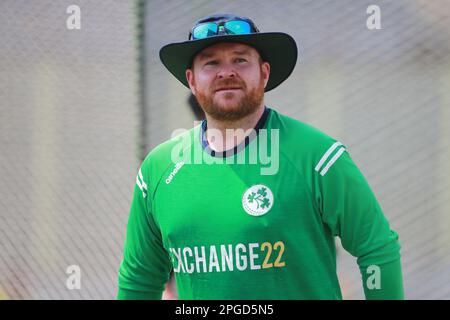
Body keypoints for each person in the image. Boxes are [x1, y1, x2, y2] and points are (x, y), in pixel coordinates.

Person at [117, 13, 404, 300]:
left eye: (240, 60)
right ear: (191, 80)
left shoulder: (318, 156)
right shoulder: (158, 170)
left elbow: (377, 248)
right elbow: (140, 278)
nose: (226, 72)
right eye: (211, 62)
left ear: (264, 73)